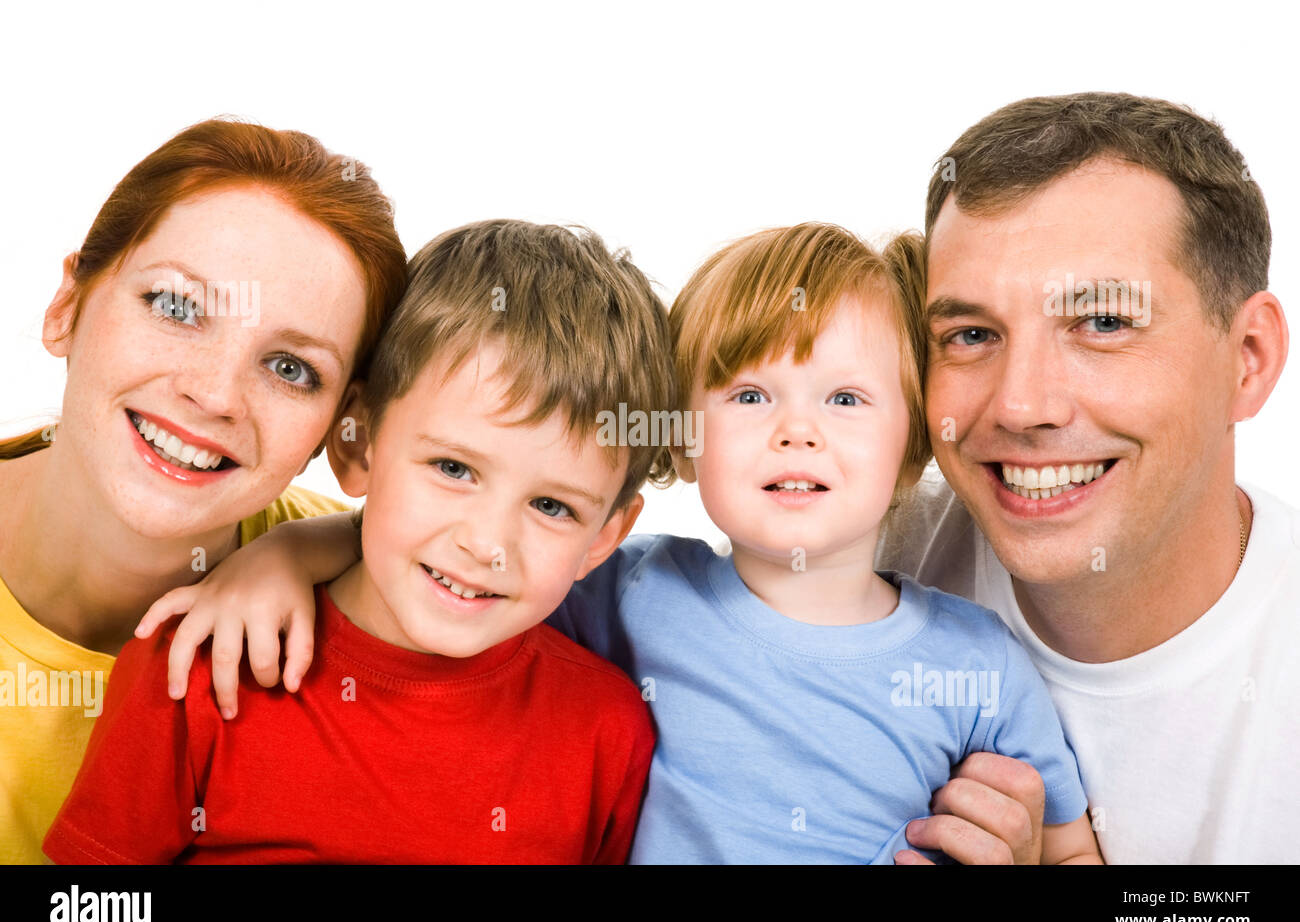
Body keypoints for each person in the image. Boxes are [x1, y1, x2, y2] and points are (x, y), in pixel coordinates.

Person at [142, 222, 1102, 864]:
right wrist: (278, 554)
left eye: (846, 399)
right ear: (680, 436)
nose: (796, 431)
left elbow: (1074, 855)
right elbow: (450, 553)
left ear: (914, 441)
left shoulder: (979, 661)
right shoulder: (637, 590)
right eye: (750, 395)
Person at [44, 220, 660, 863]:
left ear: (606, 535)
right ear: (356, 442)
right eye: (453, 469)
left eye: (552, 506)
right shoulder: (198, 659)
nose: (488, 544)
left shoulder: (607, 731)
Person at [876, 92, 1297, 863]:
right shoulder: (851, 564)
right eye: (971, 334)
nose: (1021, 404)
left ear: (1249, 359)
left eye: (1103, 322)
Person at [0, 119, 408, 863]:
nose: (215, 395)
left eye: (290, 367)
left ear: (342, 426)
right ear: (67, 307)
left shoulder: (370, 605)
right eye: (176, 307)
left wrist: (309, 548)